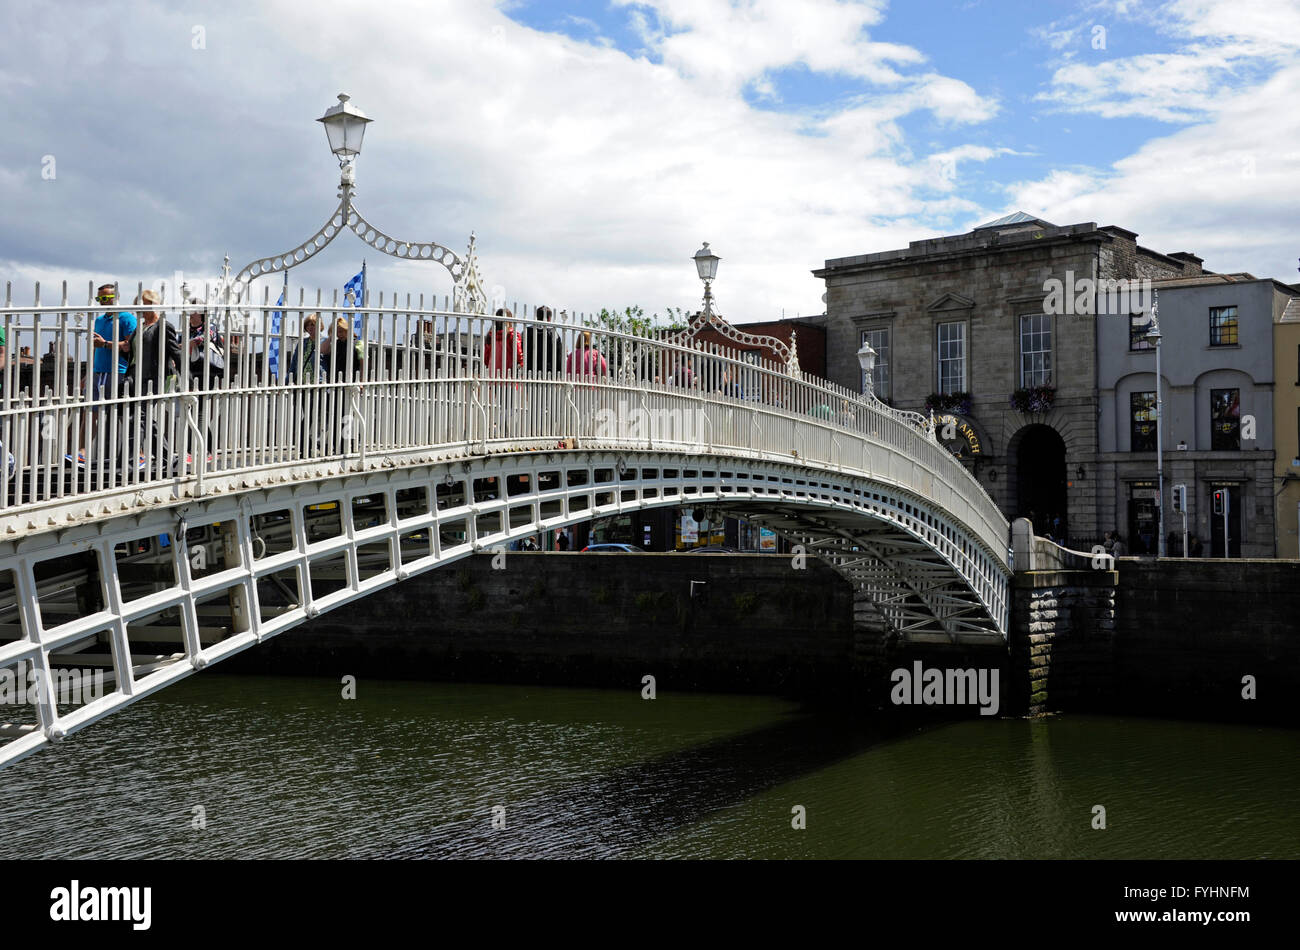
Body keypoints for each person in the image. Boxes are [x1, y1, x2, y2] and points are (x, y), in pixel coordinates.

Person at [72, 283, 138, 465]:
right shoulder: (100, 320)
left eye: (106, 298)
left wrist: (106, 344)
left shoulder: (127, 319)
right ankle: (81, 453)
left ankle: (138, 453)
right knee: (90, 413)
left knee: (125, 414)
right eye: (99, 298)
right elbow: (95, 347)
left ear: (116, 297)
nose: (102, 302)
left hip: (118, 371)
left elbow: (129, 346)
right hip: (98, 372)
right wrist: (89, 371)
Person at [186, 304, 225, 389]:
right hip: (191, 370)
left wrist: (192, 342)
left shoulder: (210, 326)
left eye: (193, 311)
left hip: (209, 370)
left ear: (201, 314)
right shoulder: (186, 330)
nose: (190, 313)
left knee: (204, 397)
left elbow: (206, 336)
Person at [523, 305, 564, 375]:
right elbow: (559, 356)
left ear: (537, 317)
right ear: (549, 318)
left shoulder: (526, 331)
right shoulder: (553, 333)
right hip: (549, 373)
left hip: (529, 371)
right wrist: (559, 373)